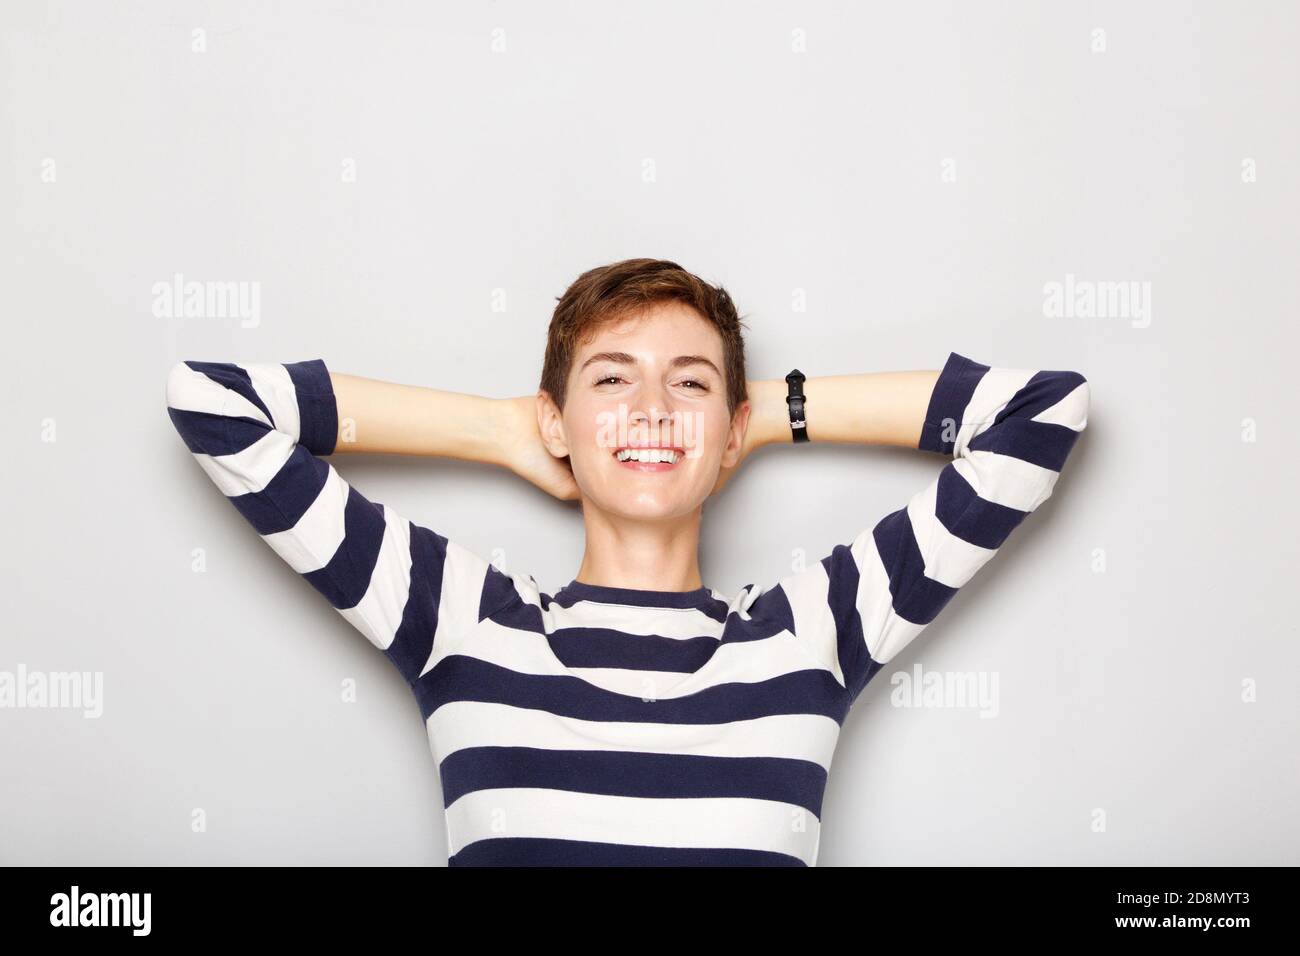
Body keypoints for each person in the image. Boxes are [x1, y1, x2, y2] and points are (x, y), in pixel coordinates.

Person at [164, 257, 1090, 866]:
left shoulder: (808, 636)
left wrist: (759, 413)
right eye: (612, 378)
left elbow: (1043, 416)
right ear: (556, 417)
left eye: (687, 380)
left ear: (733, 432)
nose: (652, 406)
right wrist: (507, 430)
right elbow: (212, 406)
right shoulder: (465, 622)